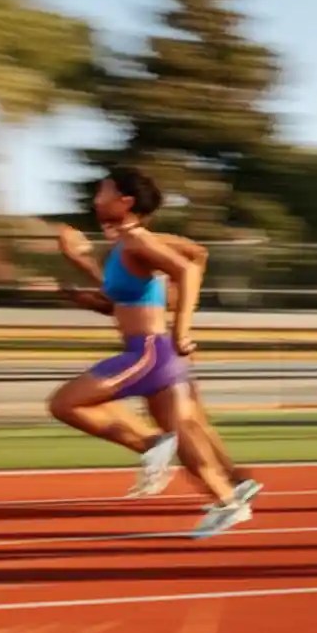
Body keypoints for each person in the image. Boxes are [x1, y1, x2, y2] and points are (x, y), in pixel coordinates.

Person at [45, 167, 249, 538]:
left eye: (104, 192)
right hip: (155, 354)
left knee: (65, 403)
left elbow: (188, 269)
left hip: (149, 353)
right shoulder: (123, 247)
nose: (96, 199)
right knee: (183, 434)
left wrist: (183, 331)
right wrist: (81, 287)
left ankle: (151, 444)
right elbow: (119, 305)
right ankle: (228, 500)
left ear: (125, 202)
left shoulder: (138, 241)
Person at [57, 223, 262, 507]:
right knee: (188, 423)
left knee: (185, 425)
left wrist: (180, 307)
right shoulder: (124, 260)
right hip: (157, 349)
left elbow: (197, 254)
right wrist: (87, 297)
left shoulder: (146, 249)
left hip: (163, 349)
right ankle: (231, 482)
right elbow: (118, 303)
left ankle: (228, 484)